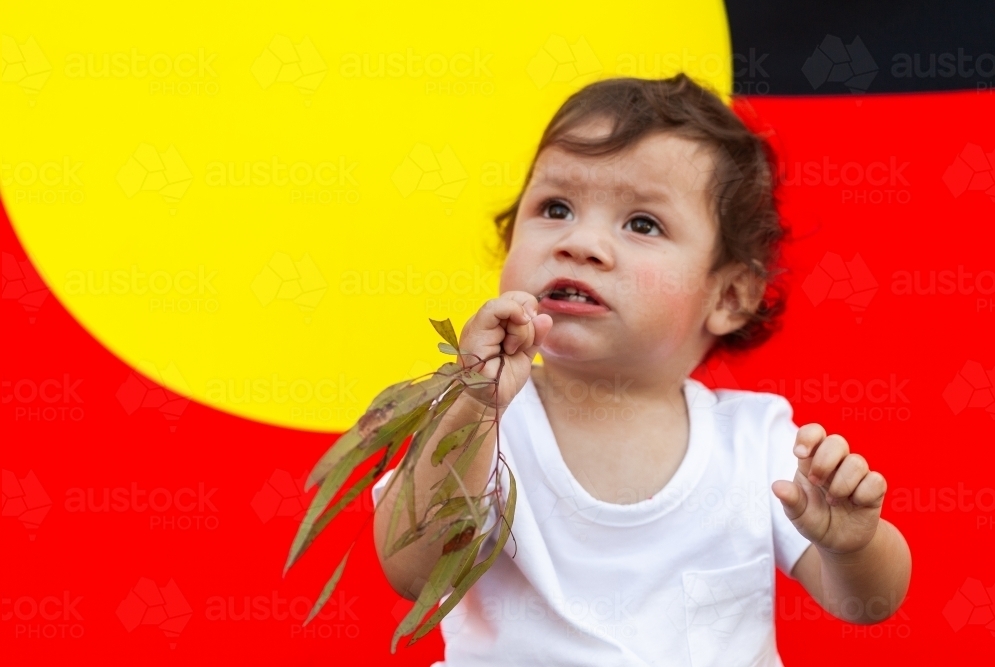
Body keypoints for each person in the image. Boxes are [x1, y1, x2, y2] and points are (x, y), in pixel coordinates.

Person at [372, 73, 912, 666]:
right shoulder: (480, 420)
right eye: (556, 208)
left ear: (729, 296)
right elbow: (413, 570)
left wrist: (852, 547)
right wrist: (473, 405)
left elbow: (869, 604)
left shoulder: (757, 442)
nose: (581, 243)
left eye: (642, 224)